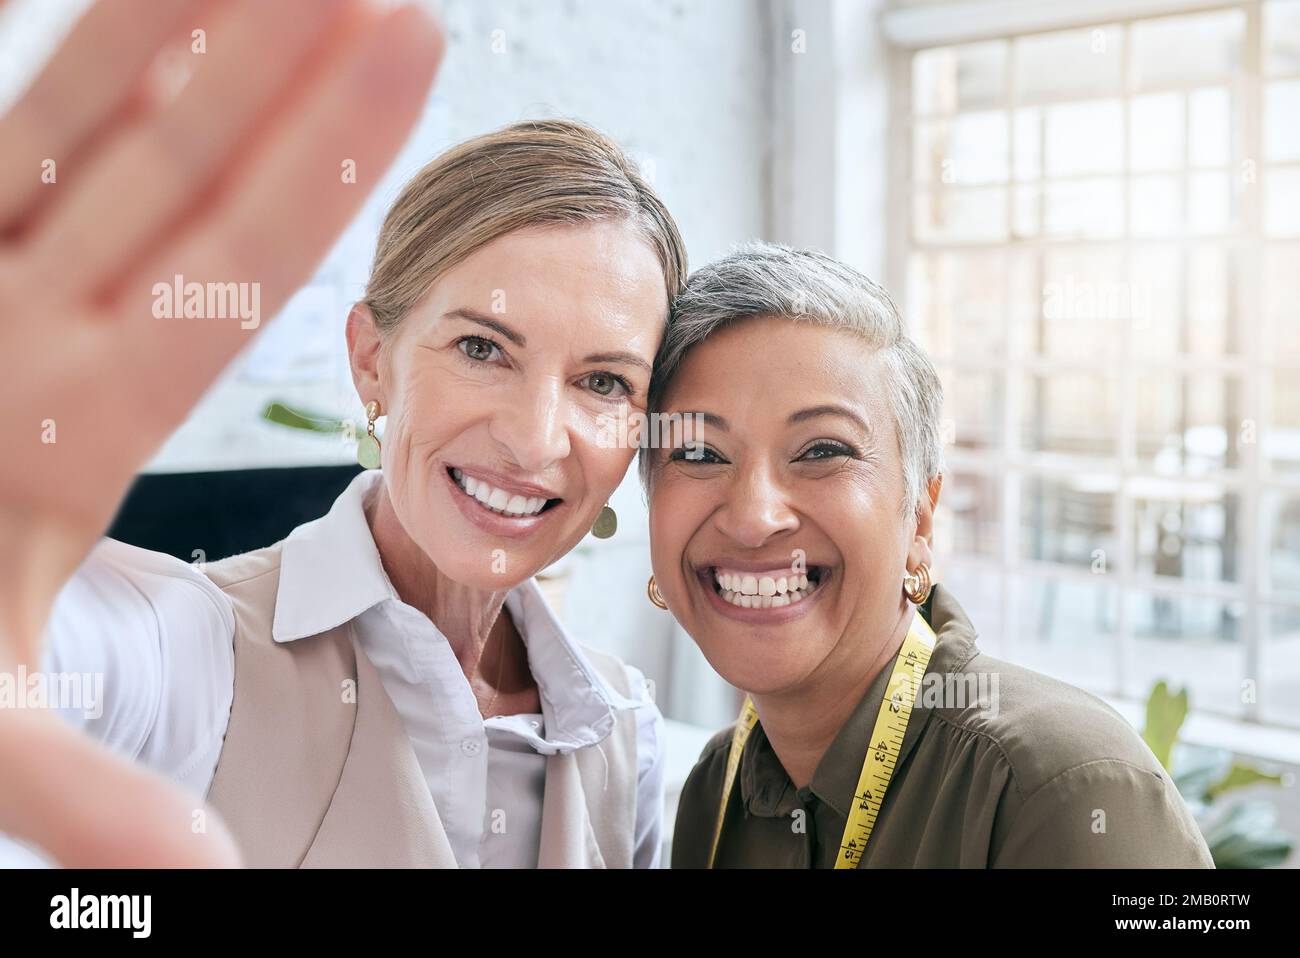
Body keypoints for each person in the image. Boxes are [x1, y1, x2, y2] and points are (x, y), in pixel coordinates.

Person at [0, 0, 687, 869]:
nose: (534, 436)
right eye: (482, 347)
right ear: (371, 361)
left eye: (602, 381)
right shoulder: (194, 647)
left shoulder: (626, 727)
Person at [639, 243, 1215, 868]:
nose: (754, 518)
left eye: (821, 450)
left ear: (920, 516)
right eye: (698, 454)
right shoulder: (715, 792)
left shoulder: (1062, 787)